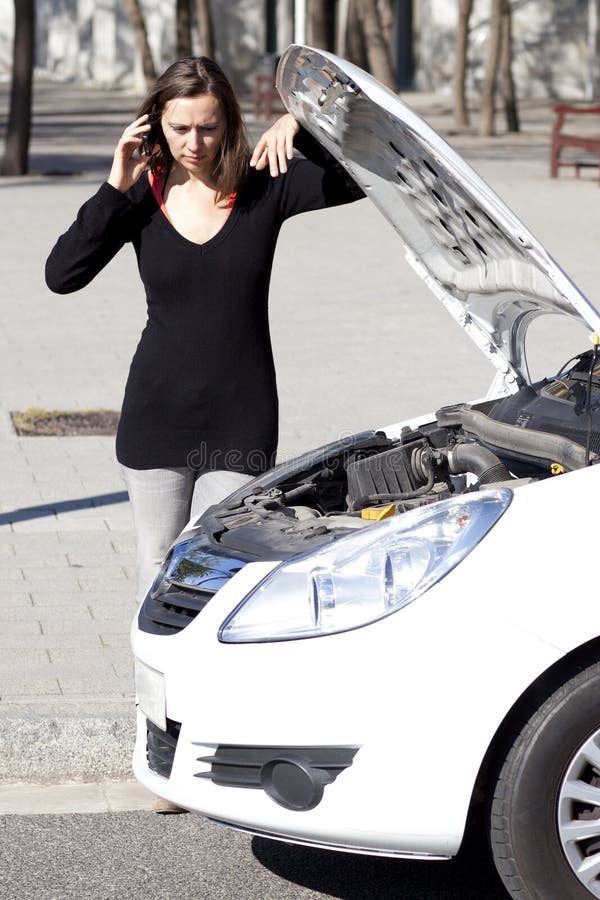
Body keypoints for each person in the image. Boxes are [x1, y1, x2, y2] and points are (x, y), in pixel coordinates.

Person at [45, 56, 362, 769]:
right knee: (158, 577)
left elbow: (370, 165)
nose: (193, 141)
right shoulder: (140, 195)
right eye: (180, 127)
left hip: (241, 420)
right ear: (154, 122)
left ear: (230, 124)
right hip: (156, 417)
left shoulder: (265, 186)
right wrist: (112, 183)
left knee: (226, 582)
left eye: (208, 127)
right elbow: (61, 274)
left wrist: (302, 119)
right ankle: (157, 739)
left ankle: (214, 739)